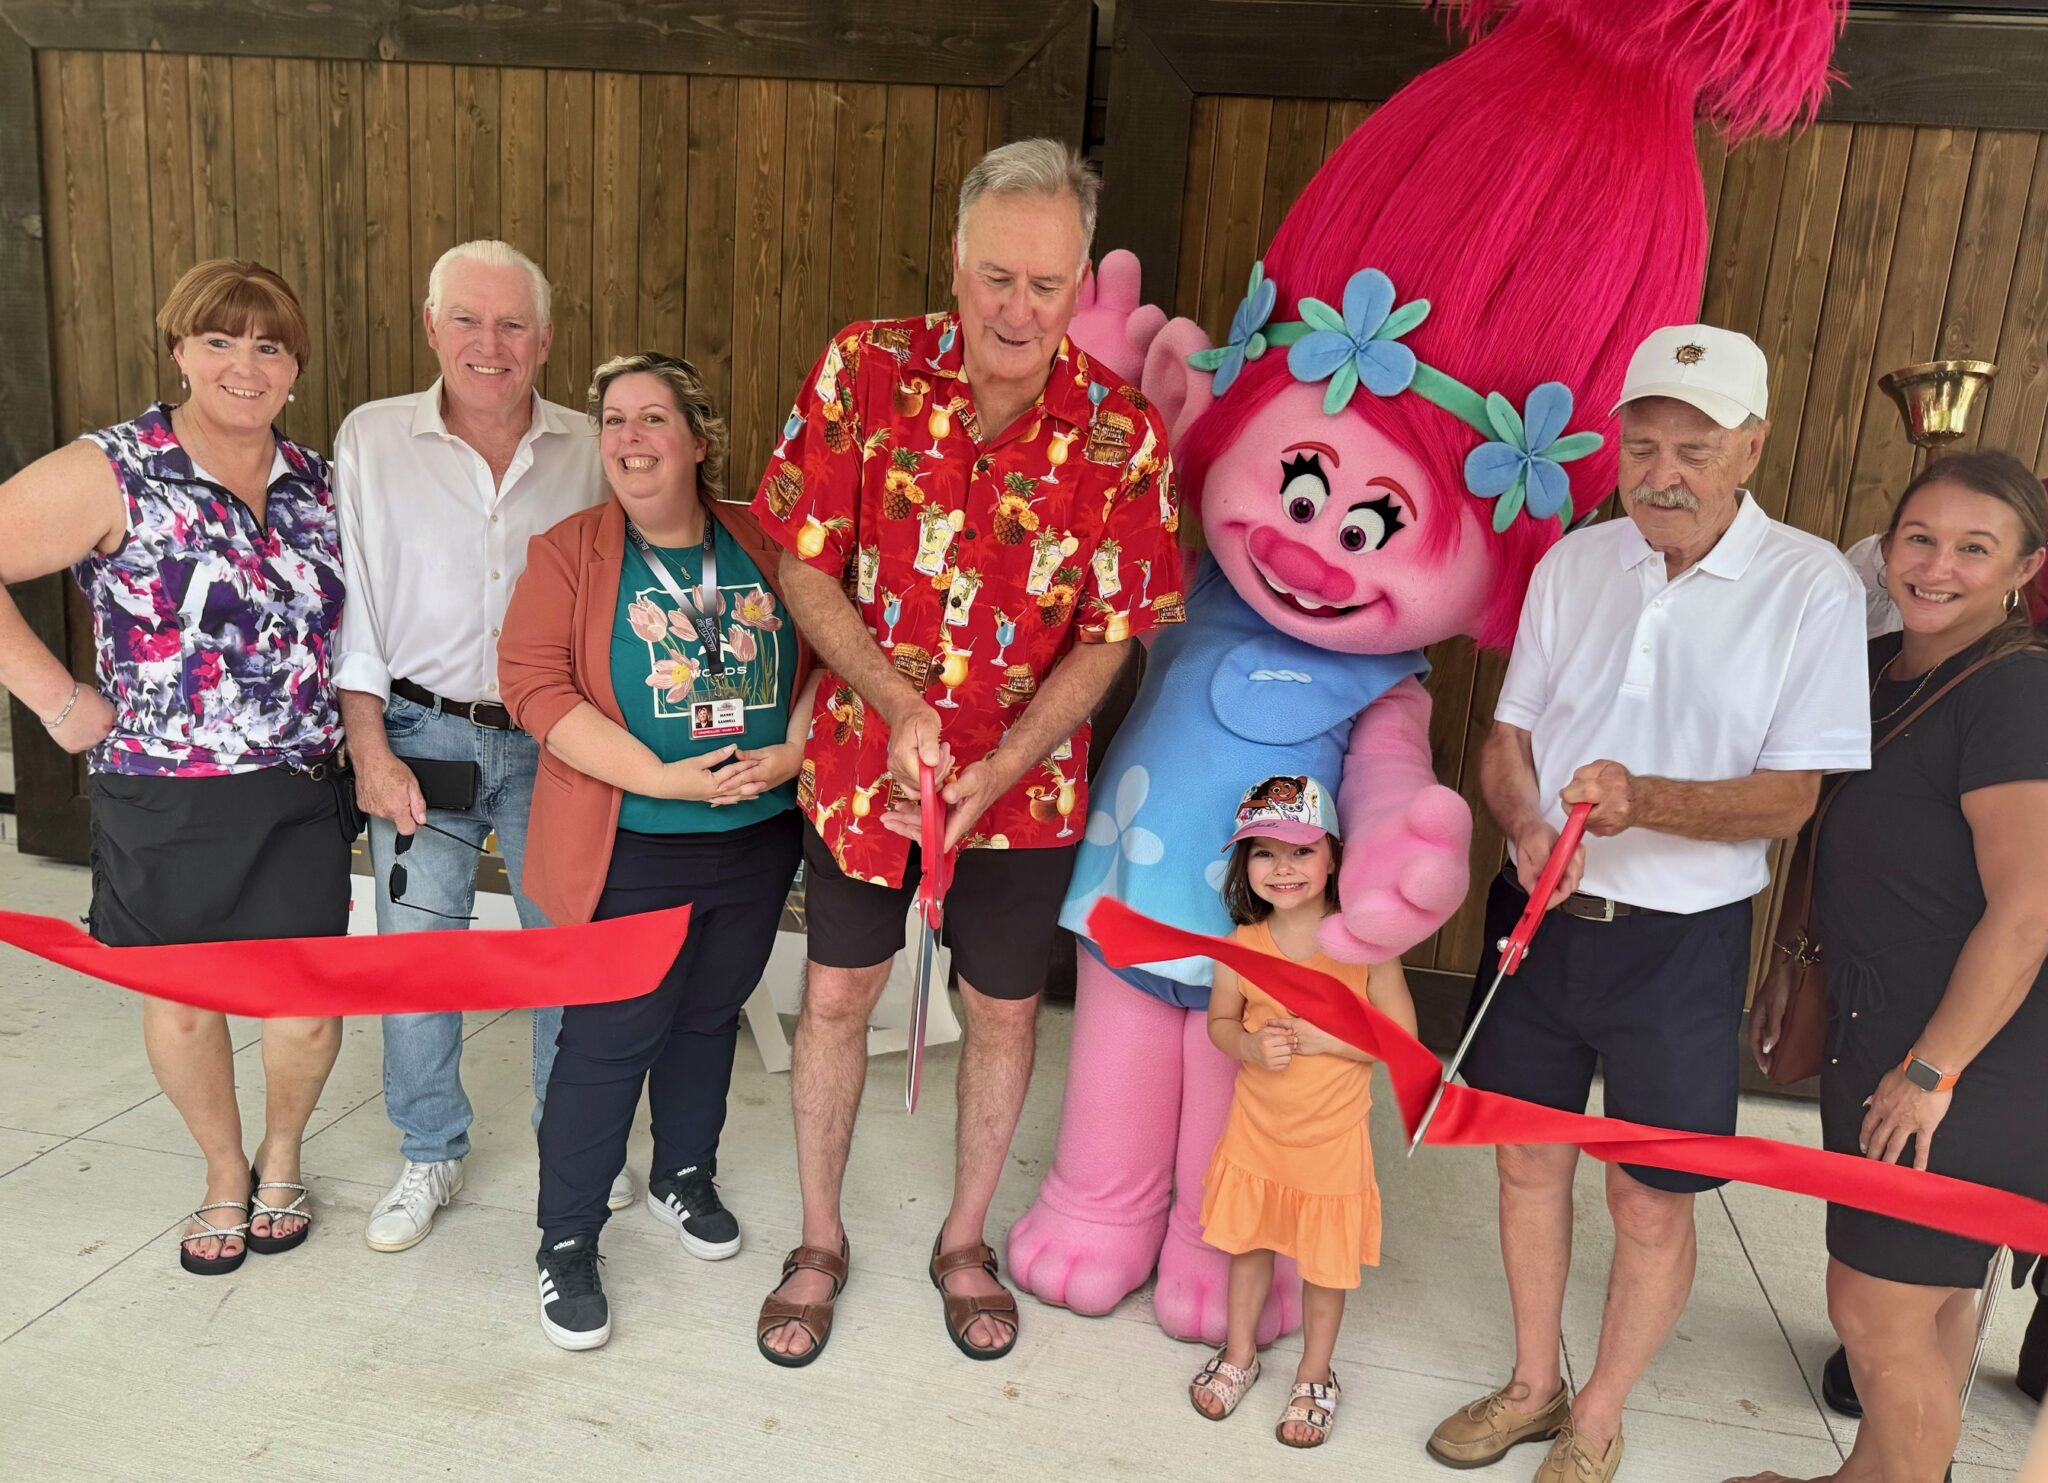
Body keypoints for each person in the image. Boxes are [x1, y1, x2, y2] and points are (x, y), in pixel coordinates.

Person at [749, 137, 1183, 1367]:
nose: (1017, 309)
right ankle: (820, 1241)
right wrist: (892, 704)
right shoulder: (865, 366)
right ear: (956, 258)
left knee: (1000, 1013)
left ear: (1081, 278)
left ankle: (962, 1240)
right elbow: (801, 562)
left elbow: (1109, 637)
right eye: (996, 277)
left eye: (1046, 286)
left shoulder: (1118, 429)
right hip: (862, 769)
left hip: (1025, 789)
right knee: (835, 997)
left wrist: (1006, 758)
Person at [1426, 324, 1871, 1483]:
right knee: (1524, 1160)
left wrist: (1644, 801)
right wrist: (1525, 826)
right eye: (1641, 445)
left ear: (1750, 446)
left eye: (1694, 446)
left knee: (1649, 1194)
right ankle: (1533, 1385)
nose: (1661, 472)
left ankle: (1599, 1417)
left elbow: (1791, 796)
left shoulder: (1807, 585)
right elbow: (1507, 736)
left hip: (1680, 946)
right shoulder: (1578, 561)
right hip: (1541, 920)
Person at [0, 259, 345, 1273]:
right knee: (184, 1001)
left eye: (270, 345)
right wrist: (59, 703)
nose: (246, 364)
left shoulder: (315, 481)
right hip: (165, 794)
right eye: (221, 340)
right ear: (181, 349)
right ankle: (223, 1172)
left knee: (304, 1008)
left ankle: (283, 1154)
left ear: (294, 368)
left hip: (298, 788)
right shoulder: (114, 467)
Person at [1738, 450, 2048, 1483]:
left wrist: (1931, 1070)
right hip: (1880, 1017)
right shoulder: (1876, 666)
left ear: (2023, 568)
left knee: (1868, 1307)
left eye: (1973, 548)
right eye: (1918, 538)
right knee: (1927, 1297)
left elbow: (2027, 908)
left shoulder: (2013, 689)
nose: (1935, 567)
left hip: (1967, 1052)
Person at [497, 352, 818, 1349]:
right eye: (614, 422)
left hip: (754, 839)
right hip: (630, 842)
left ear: (696, 438)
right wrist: (660, 776)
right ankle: (565, 1237)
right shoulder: (570, 552)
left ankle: (684, 1173)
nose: (629, 440)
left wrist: (799, 744)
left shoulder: (763, 538)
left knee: (707, 1017)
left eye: (651, 420)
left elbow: (832, 650)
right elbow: (535, 690)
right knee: (608, 1042)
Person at [331, 239, 609, 1254]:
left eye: (510, 325)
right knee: (419, 954)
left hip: (557, 737)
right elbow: (353, 608)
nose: (488, 345)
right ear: (430, 325)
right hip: (414, 729)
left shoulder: (592, 444)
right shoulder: (370, 440)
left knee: (563, 950)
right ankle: (429, 1147)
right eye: (466, 320)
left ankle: (571, 1137)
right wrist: (370, 748)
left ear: (544, 337)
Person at [1186, 776, 1415, 1448]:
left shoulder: (1365, 945)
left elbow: (1402, 1040)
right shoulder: (1242, 942)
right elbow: (1220, 1024)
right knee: (1248, 1246)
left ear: (1334, 857)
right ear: (1243, 865)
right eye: (1263, 852)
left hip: (1331, 1145)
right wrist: (1250, 1046)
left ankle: (1316, 1374)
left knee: (1324, 1265)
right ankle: (1239, 1353)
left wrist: (1327, 1039)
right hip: (1258, 1135)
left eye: (1301, 850)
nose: (1282, 868)